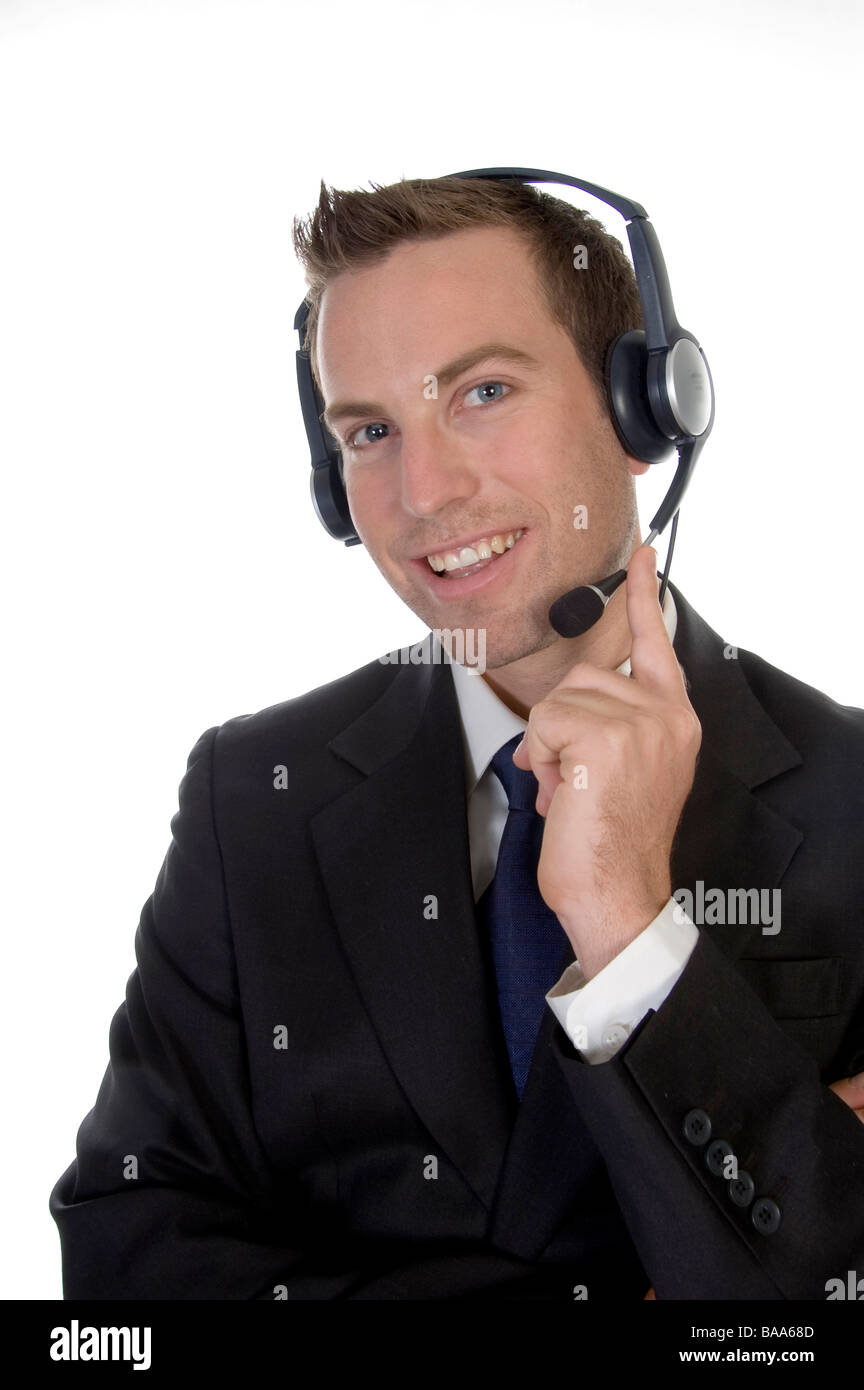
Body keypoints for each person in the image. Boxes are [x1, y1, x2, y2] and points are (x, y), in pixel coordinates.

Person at [50, 175, 864, 1301]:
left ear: (645, 410)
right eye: (371, 430)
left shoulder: (853, 797)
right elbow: (128, 1243)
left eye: (483, 391)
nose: (423, 490)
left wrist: (632, 933)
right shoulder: (254, 798)